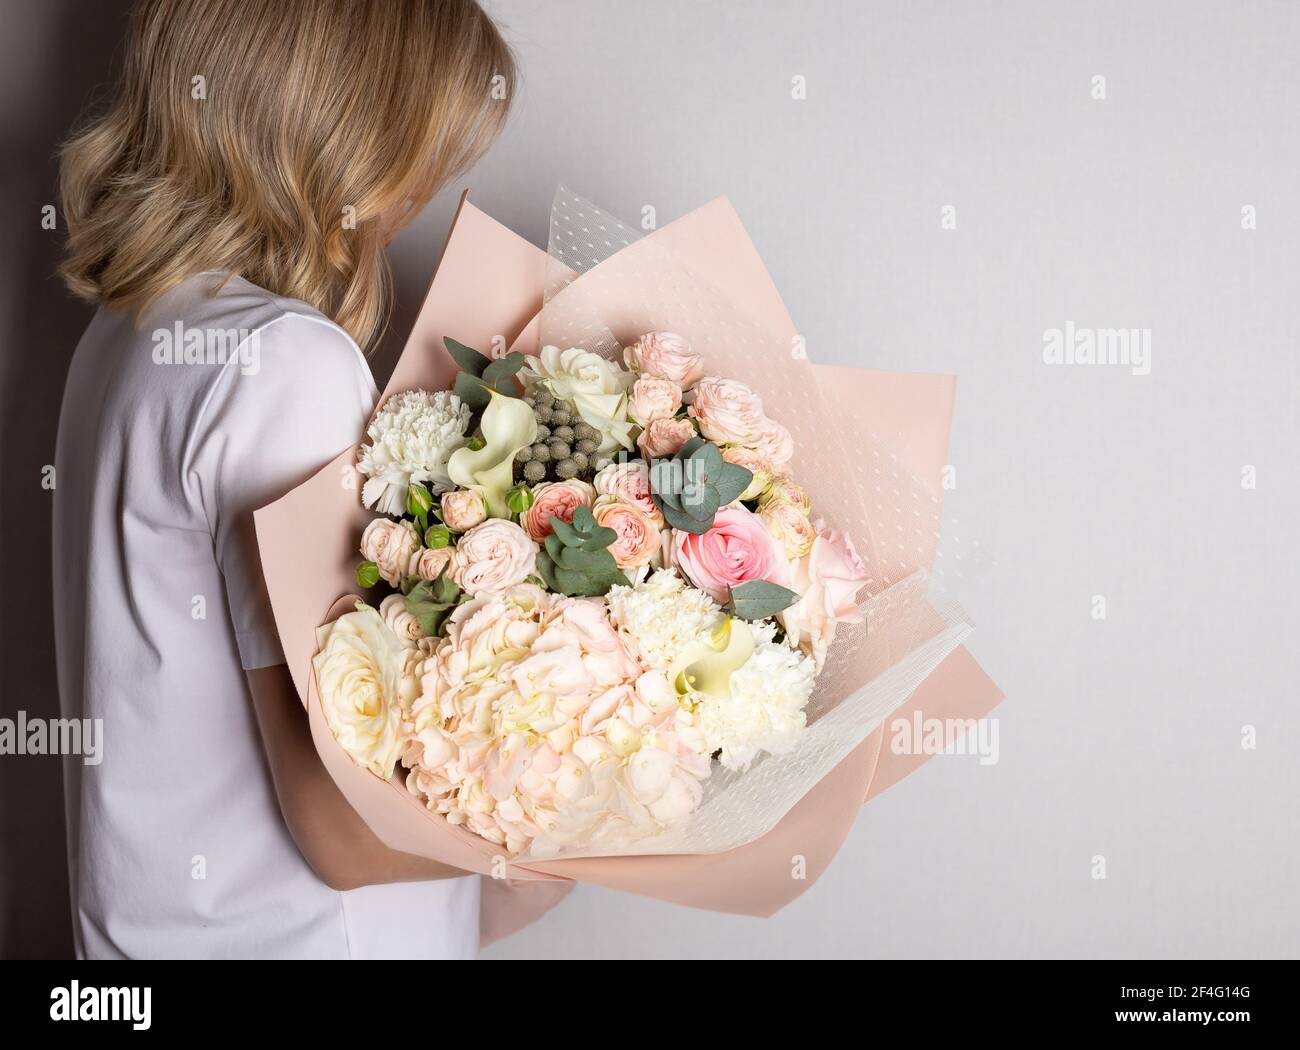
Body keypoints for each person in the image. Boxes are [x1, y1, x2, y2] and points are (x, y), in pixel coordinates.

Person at [51, 0, 515, 959]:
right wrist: (621, 788)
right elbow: (343, 832)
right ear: (344, 134)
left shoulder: (134, 329)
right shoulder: (282, 361)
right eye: (420, 149)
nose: (423, 191)